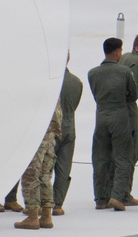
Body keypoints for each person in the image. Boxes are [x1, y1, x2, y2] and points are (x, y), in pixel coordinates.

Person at [87, 37, 138, 212]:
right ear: (117, 52)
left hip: (101, 115)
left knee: (100, 157)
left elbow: (95, 94)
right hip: (120, 116)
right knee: (123, 156)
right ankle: (117, 196)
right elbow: (133, 95)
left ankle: (101, 198)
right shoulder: (124, 72)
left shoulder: (92, 73)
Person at [14, 101, 62, 230]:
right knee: (45, 175)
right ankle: (46, 216)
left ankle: (32, 216)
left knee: (30, 175)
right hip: (51, 134)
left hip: (36, 135)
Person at [116, 33, 138, 205]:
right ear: (137, 48)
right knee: (132, 151)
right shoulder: (136, 62)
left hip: (115, 107)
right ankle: (124, 194)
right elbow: (132, 88)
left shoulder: (124, 57)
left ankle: (111, 192)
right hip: (128, 108)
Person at [52, 54, 83, 215]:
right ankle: (57, 204)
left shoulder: (50, 81)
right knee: (64, 167)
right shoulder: (76, 82)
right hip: (70, 126)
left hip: (51, 128)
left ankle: (41, 203)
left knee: (44, 168)